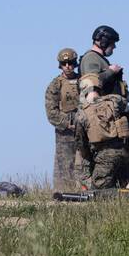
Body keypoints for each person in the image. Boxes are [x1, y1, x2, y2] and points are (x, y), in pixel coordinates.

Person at [73, 74, 129, 190]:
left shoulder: (82, 114)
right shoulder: (115, 102)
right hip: (127, 154)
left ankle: (117, 192)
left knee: (98, 190)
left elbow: (81, 144)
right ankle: (128, 187)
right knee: (123, 179)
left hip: (105, 158)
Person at [44, 47, 81, 193]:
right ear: (60, 65)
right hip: (65, 134)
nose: (68, 66)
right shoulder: (55, 85)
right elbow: (51, 112)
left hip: (85, 129)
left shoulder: (83, 81)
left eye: (70, 63)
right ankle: (65, 194)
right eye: (64, 63)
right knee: (65, 166)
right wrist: (68, 123)